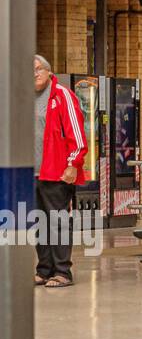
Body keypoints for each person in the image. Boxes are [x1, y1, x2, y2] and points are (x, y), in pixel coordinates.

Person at [33, 57, 87, 289]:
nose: (34, 74)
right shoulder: (21, 97)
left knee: (58, 222)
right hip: (30, 172)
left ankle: (63, 271)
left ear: (48, 71)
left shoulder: (62, 95)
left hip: (57, 172)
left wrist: (73, 163)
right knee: (38, 222)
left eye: (38, 69)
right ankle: (44, 270)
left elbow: (77, 131)